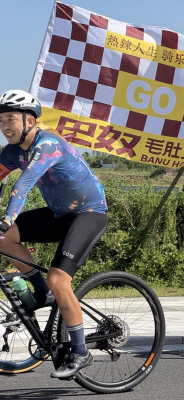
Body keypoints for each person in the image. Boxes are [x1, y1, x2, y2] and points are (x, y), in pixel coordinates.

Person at [0, 90, 108, 378]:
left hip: (89, 213)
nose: (4, 126)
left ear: (30, 120)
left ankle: (81, 352)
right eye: (1, 120)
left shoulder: (47, 145)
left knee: (59, 278)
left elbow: (23, 184)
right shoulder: (12, 151)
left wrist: (8, 216)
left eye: (10, 118)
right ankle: (41, 292)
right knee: (3, 239)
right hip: (60, 214)